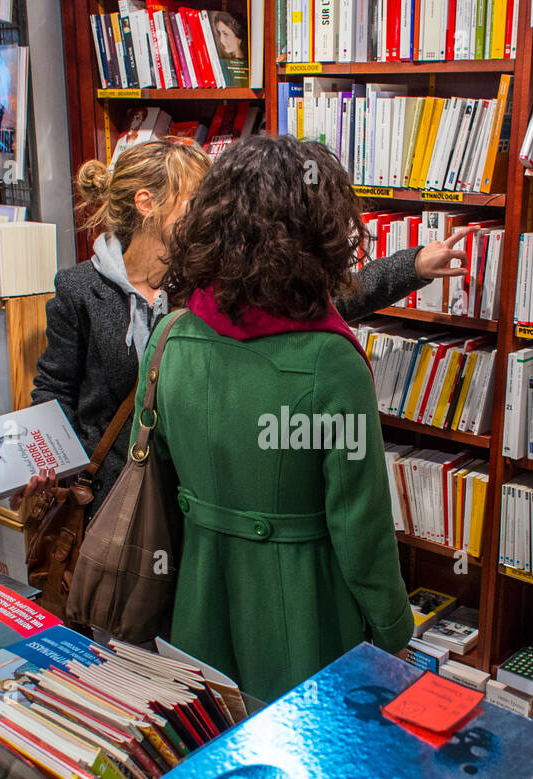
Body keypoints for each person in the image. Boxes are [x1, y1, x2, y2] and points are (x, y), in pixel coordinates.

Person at [134, 135, 470, 703]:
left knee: (214, 766)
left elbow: (161, 481)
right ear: (321, 233)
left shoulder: (169, 339)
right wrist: (394, 630)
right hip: (303, 619)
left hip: (196, 608)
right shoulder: (330, 363)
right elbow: (359, 525)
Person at [27, 137, 474, 512]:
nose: (212, 213)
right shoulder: (79, 289)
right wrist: (49, 467)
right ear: (147, 204)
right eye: (196, 200)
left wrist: (412, 264)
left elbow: (323, 301)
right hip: (109, 498)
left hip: (192, 497)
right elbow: (55, 389)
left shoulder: (209, 280)